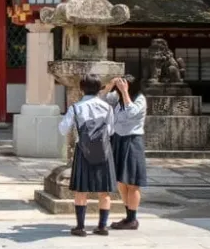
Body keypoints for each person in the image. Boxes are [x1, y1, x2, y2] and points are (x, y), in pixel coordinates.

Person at [59, 74, 116, 237]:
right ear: (99, 89)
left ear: (81, 89)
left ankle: (80, 227)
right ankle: (102, 227)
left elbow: (63, 129)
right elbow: (111, 131)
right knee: (104, 191)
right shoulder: (107, 107)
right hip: (104, 150)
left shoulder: (76, 107)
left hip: (83, 150)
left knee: (81, 190)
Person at [102, 75, 147, 230]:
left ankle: (132, 219)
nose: (120, 87)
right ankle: (128, 216)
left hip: (133, 140)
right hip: (118, 140)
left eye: (124, 85)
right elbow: (101, 102)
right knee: (121, 181)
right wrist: (110, 85)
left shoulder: (140, 99)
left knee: (132, 182)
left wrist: (125, 92)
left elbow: (131, 112)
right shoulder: (117, 98)